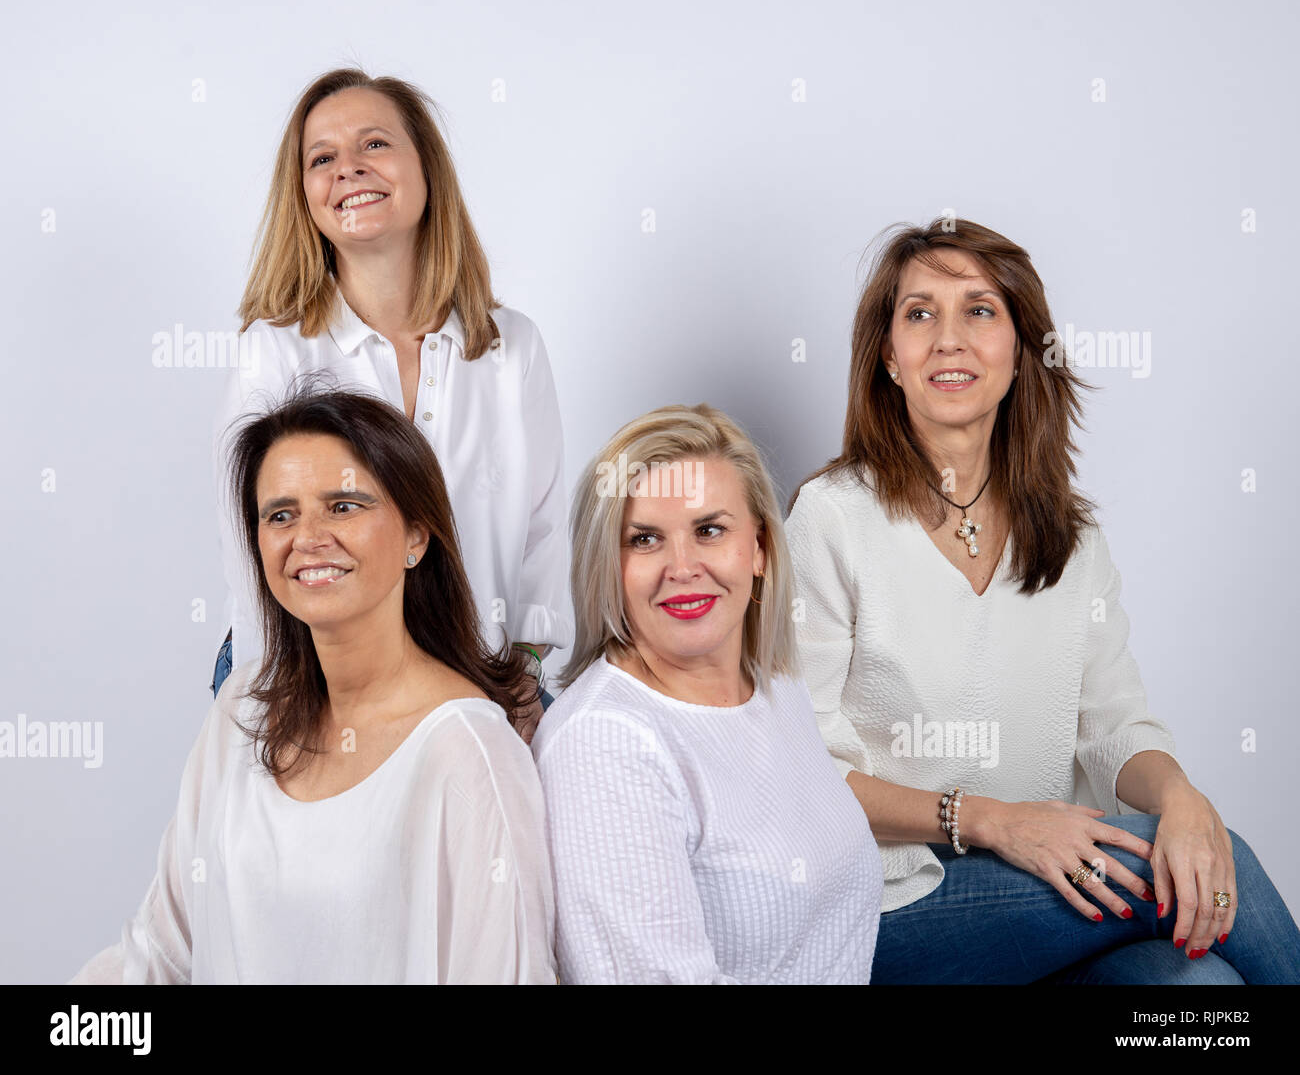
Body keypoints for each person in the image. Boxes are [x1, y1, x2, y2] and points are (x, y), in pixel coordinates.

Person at [785, 218, 1300, 984]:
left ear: (1024, 353)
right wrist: (991, 820)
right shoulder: (831, 519)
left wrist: (1183, 798)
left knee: (1199, 985)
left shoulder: (1070, 535)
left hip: (1048, 897)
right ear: (889, 358)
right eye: (920, 313)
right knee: (1230, 867)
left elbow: (1115, 726)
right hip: (890, 903)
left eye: (980, 309)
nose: (949, 338)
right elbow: (801, 771)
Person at [73, 389, 556, 983]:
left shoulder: (470, 754)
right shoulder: (240, 711)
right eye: (280, 514)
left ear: (416, 536)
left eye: (344, 506)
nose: (307, 537)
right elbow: (160, 954)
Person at [213, 67, 570, 739]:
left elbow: (544, 532)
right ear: (307, 196)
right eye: (322, 158)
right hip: (309, 674)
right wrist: (289, 713)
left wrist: (522, 667)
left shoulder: (511, 347)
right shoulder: (273, 353)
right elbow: (252, 548)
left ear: (426, 168)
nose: (348, 168)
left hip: (479, 676)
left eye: (374, 144)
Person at [532, 405, 883, 983]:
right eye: (644, 540)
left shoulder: (773, 683)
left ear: (761, 548)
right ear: (607, 566)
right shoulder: (603, 744)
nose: (682, 567)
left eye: (709, 530)